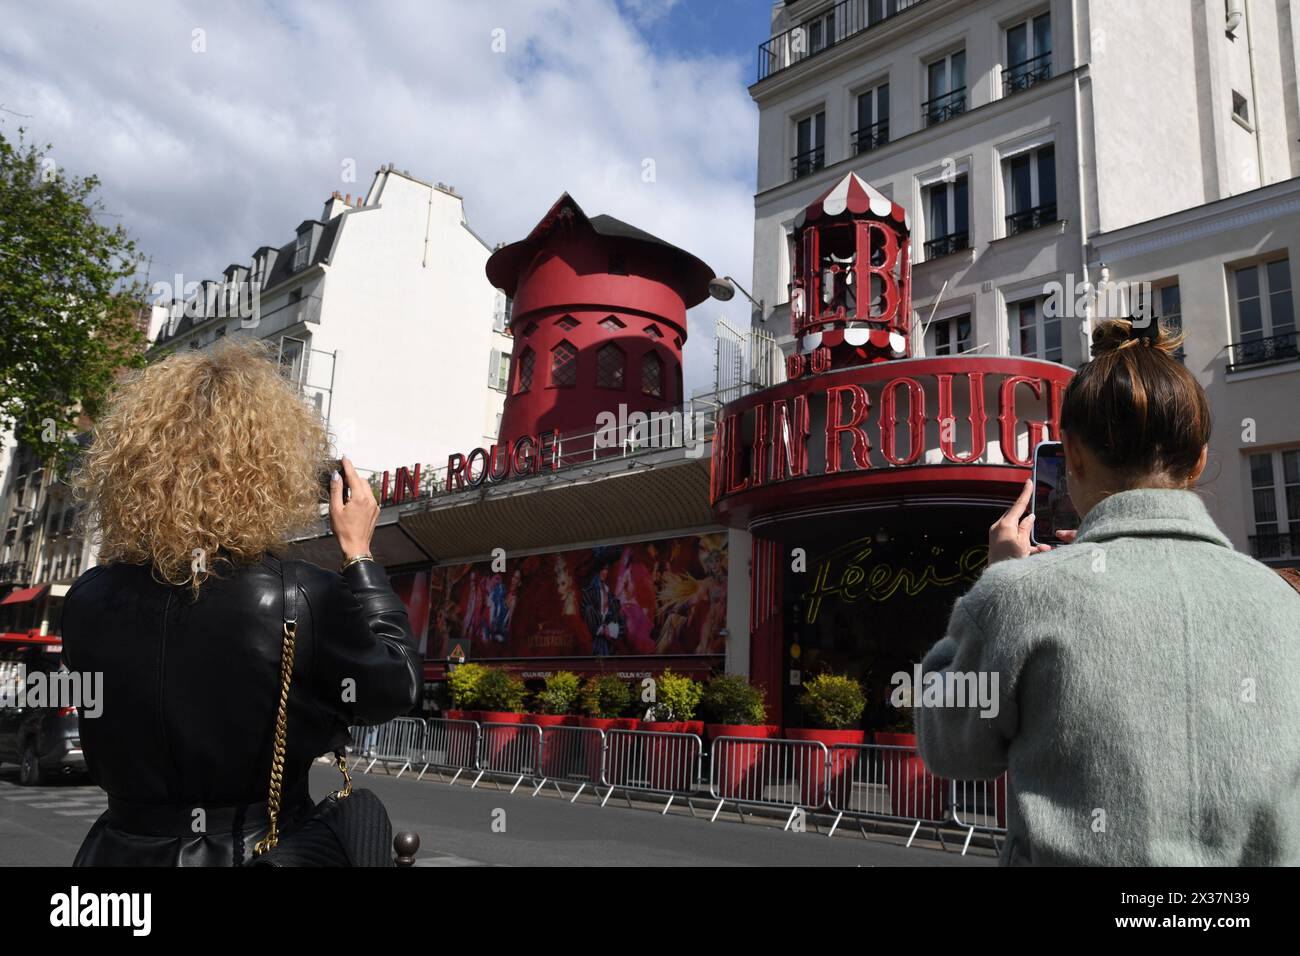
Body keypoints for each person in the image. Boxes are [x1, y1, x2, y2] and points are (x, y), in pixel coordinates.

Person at [916, 318, 1300, 866]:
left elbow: (950, 744)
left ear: (1070, 455)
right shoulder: (1285, 605)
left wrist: (999, 577)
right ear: (1198, 461)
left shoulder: (1021, 598)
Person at [61, 338, 420, 866]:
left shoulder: (89, 598)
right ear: (269, 472)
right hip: (254, 849)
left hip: (116, 854)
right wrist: (360, 555)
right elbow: (396, 687)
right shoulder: (298, 594)